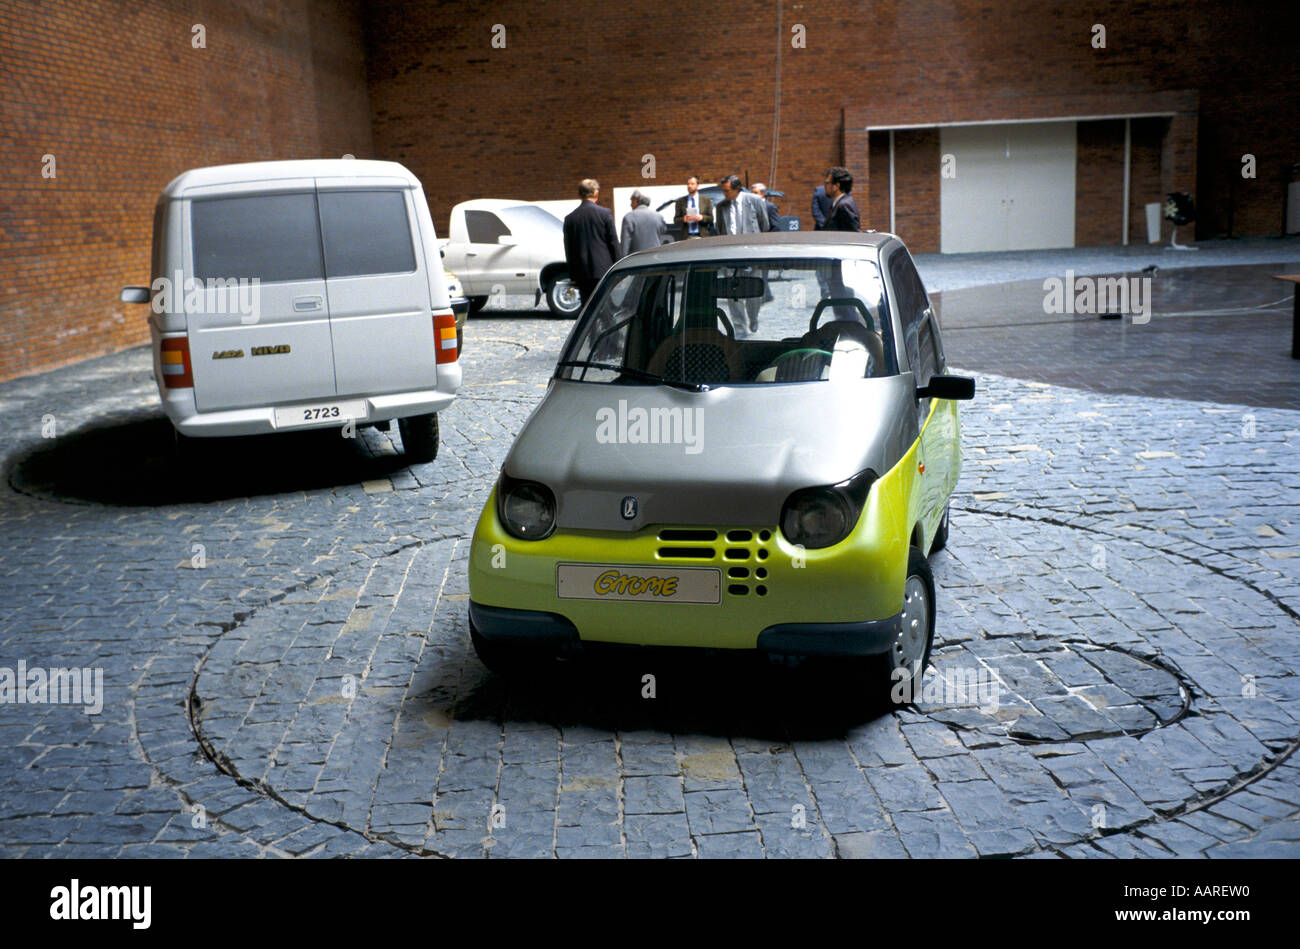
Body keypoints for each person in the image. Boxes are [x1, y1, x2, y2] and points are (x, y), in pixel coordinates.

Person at [715, 175, 771, 334]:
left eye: (727, 191)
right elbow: (720, 230)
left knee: (753, 292)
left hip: (752, 254)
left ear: (737, 189)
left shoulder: (755, 201)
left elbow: (764, 225)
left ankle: (753, 317)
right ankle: (740, 328)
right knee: (733, 294)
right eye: (723, 191)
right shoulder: (721, 207)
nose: (724, 194)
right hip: (730, 255)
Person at [563, 178, 621, 306]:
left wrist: (572, 274)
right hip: (603, 268)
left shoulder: (570, 218)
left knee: (587, 307)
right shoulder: (605, 213)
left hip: (581, 270)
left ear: (579, 194)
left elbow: (569, 249)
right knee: (605, 305)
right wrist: (619, 266)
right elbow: (613, 242)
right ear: (596, 193)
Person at [620, 189, 667, 256]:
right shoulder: (659, 217)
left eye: (631, 200)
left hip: (636, 260)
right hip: (655, 258)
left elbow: (625, 246)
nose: (630, 204)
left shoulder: (629, 217)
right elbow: (663, 231)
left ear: (636, 200)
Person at [823, 167, 861, 232]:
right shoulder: (839, 203)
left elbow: (852, 236)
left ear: (837, 186)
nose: (824, 186)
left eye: (827, 182)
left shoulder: (844, 205)